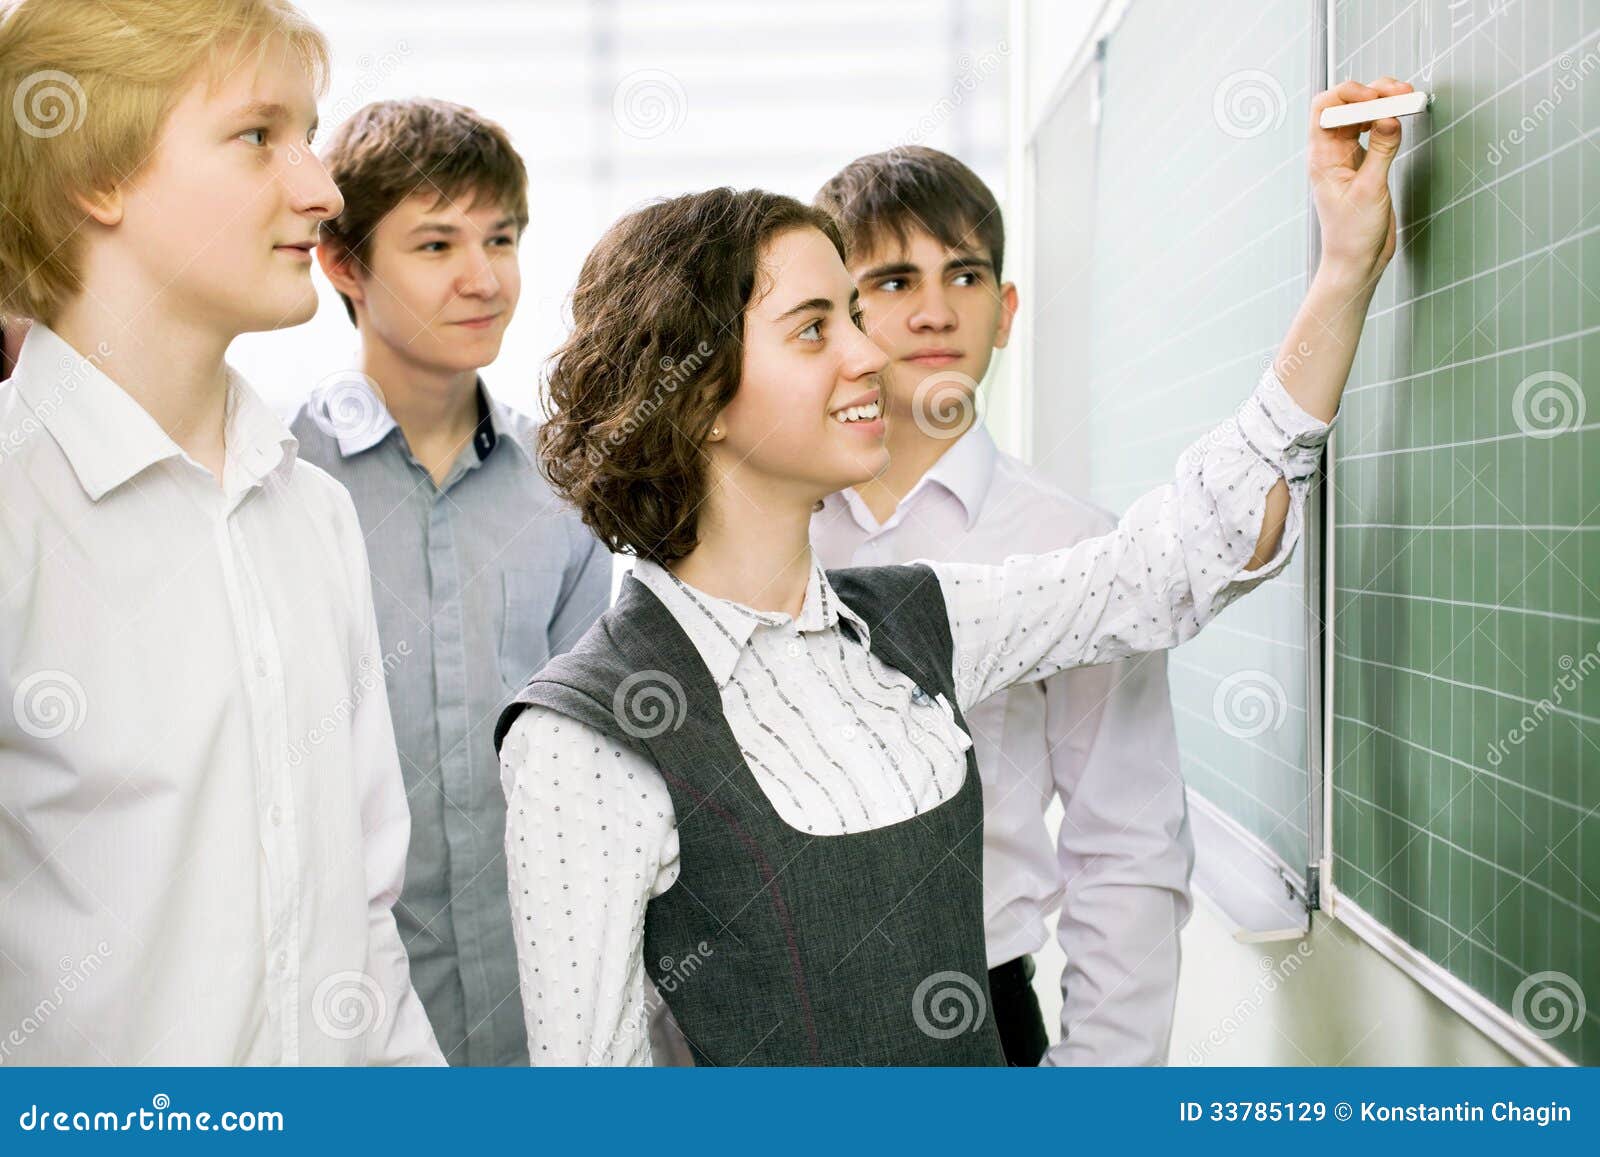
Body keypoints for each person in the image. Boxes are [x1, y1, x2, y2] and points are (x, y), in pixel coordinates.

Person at [492, 74, 1407, 1066]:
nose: (870, 353)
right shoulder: (581, 734)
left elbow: (1180, 556)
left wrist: (1343, 271)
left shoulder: (922, 616)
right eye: (816, 327)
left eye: (854, 313)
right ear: (696, 392)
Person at [0, 0, 441, 1065]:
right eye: (258, 137)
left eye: (310, 134)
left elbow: (366, 921)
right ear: (94, 177)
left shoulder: (314, 514)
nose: (321, 190)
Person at [811, 146, 1188, 1065]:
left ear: (1006, 311)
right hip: (772, 1025)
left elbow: (1128, 843)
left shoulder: (1076, 546)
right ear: (836, 318)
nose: (936, 310)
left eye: (966, 275)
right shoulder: (763, 527)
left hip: (979, 1023)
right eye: (894, 279)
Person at [291, 98, 611, 1066]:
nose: (484, 278)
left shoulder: (567, 487)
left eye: (501, 238)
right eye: (436, 244)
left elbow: (592, 769)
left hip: (542, 1007)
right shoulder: (276, 480)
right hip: (344, 1014)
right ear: (344, 263)